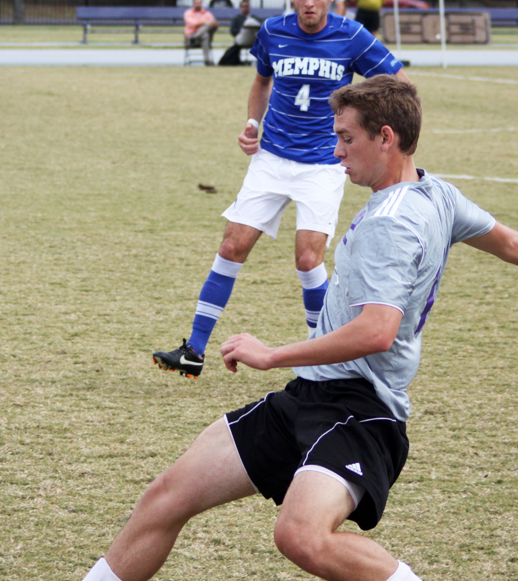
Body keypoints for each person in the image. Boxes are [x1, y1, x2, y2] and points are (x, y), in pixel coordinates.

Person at [0, 76, 518, 581]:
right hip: (311, 398)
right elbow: (509, 240)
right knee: (168, 495)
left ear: (386, 138)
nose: (336, 149)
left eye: (346, 137)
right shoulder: (436, 192)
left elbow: (377, 331)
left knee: (301, 536)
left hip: (360, 412)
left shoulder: (392, 223)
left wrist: (272, 353)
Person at [154, 0, 407, 378]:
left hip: (322, 165)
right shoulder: (272, 31)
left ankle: (323, 361)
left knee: (308, 259)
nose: (309, 3)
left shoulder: (351, 35)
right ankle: (194, 350)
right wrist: (252, 123)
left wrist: (369, 127)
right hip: (270, 158)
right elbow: (261, 82)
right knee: (231, 246)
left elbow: (399, 83)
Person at [218, 0, 259, 66]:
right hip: (242, 38)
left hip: (253, 39)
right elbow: (233, 31)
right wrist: (242, 30)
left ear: (249, 7)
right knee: (249, 22)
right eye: (243, 6)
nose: (245, 8)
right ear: (240, 8)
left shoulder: (254, 18)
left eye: (246, 6)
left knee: (252, 22)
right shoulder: (237, 19)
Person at [184, 0, 219, 66]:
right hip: (191, 38)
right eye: (196, 3)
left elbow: (213, 23)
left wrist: (211, 24)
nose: (198, 4)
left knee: (206, 32)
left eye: (199, 3)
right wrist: (205, 23)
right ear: (193, 4)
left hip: (197, 39)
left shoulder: (207, 13)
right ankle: (207, 60)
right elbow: (194, 24)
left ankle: (196, 36)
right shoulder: (188, 13)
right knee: (206, 32)